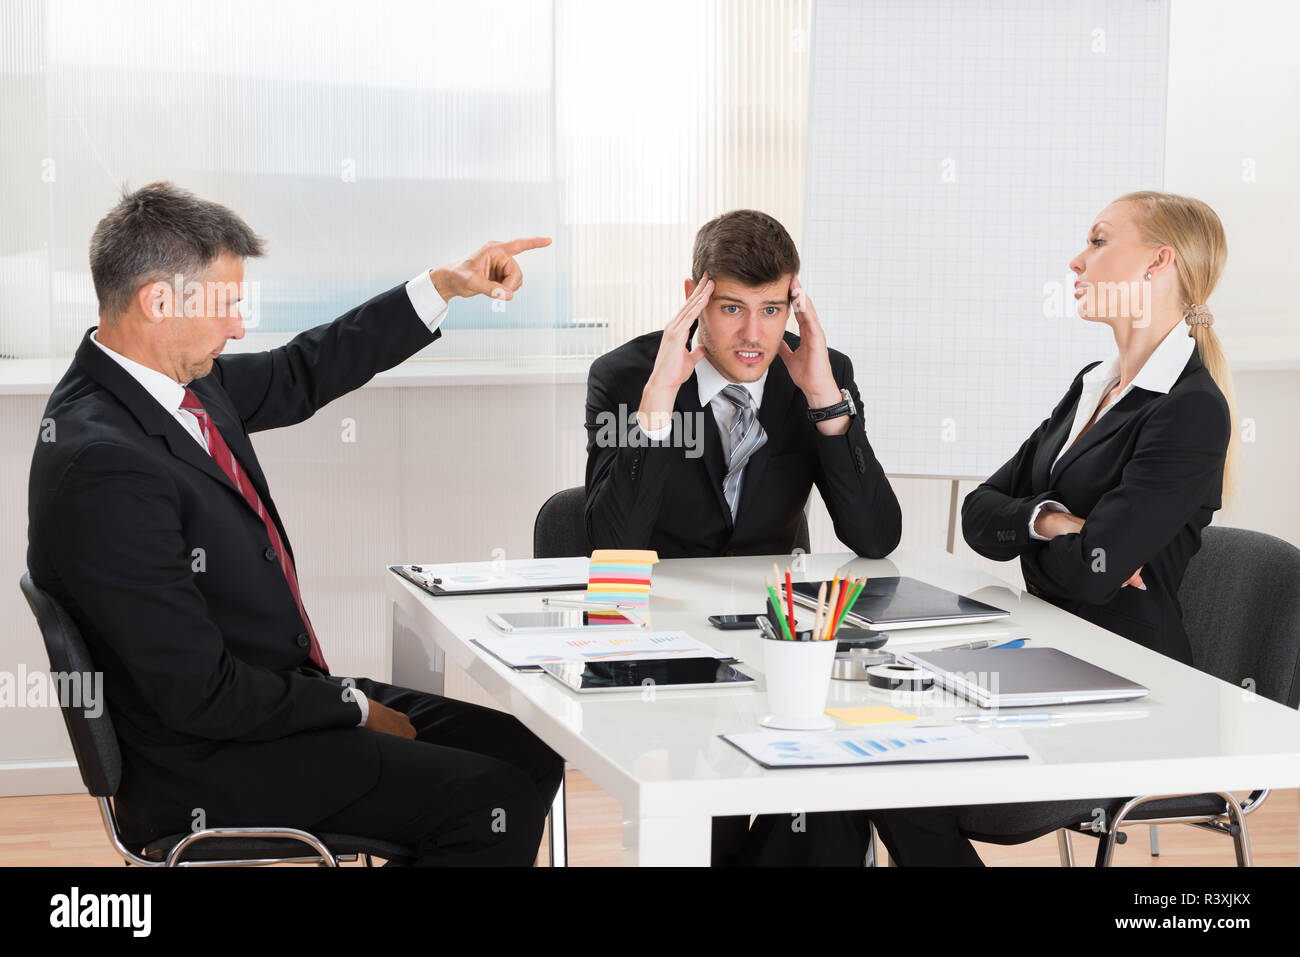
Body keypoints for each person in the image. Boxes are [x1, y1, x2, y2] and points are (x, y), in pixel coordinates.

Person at [27, 183, 564, 865]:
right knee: (492, 800)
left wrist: (443, 287)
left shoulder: (172, 384)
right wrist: (355, 708)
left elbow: (302, 370)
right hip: (206, 764)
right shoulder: (101, 461)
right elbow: (198, 693)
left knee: (526, 750)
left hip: (266, 707)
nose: (239, 328)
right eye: (227, 305)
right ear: (159, 302)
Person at [879, 190, 1236, 864]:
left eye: (1100, 241)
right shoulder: (1090, 385)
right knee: (866, 739)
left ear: (1158, 262)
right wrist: (1056, 520)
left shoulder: (1191, 410)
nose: (1077, 260)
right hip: (1051, 662)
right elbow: (980, 515)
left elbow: (1090, 573)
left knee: (888, 770)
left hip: (1129, 696)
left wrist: (1062, 539)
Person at [585, 208, 923, 865]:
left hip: (779, 646)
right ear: (693, 299)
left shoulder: (818, 372)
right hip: (664, 652)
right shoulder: (629, 377)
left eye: (772, 310)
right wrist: (660, 400)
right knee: (703, 827)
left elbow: (875, 536)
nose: (752, 336)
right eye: (732, 308)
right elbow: (613, 546)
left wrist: (826, 400)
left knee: (829, 803)